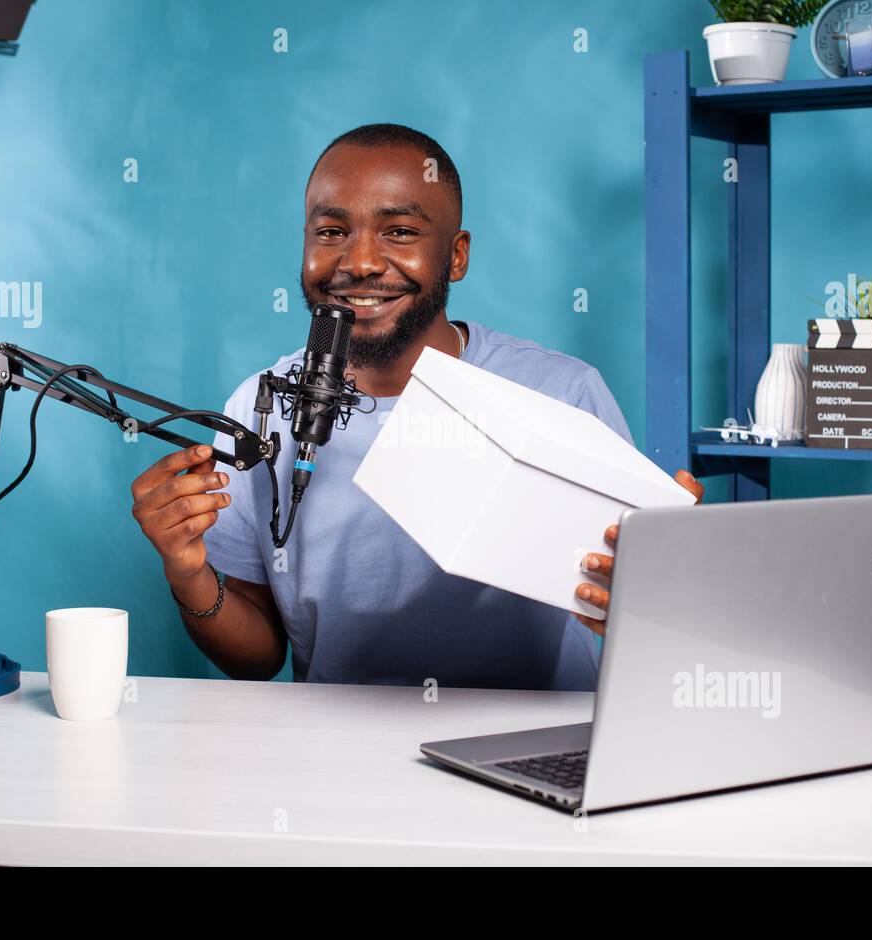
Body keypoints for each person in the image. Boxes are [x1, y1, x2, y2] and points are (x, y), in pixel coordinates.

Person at [129, 123, 702, 690]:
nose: (360, 263)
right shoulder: (261, 407)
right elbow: (256, 657)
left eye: (399, 232)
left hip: (532, 749)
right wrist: (188, 572)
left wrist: (664, 575)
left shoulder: (562, 393)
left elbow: (651, 610)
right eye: (331, 231)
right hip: (334, 754)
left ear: (456, 256)